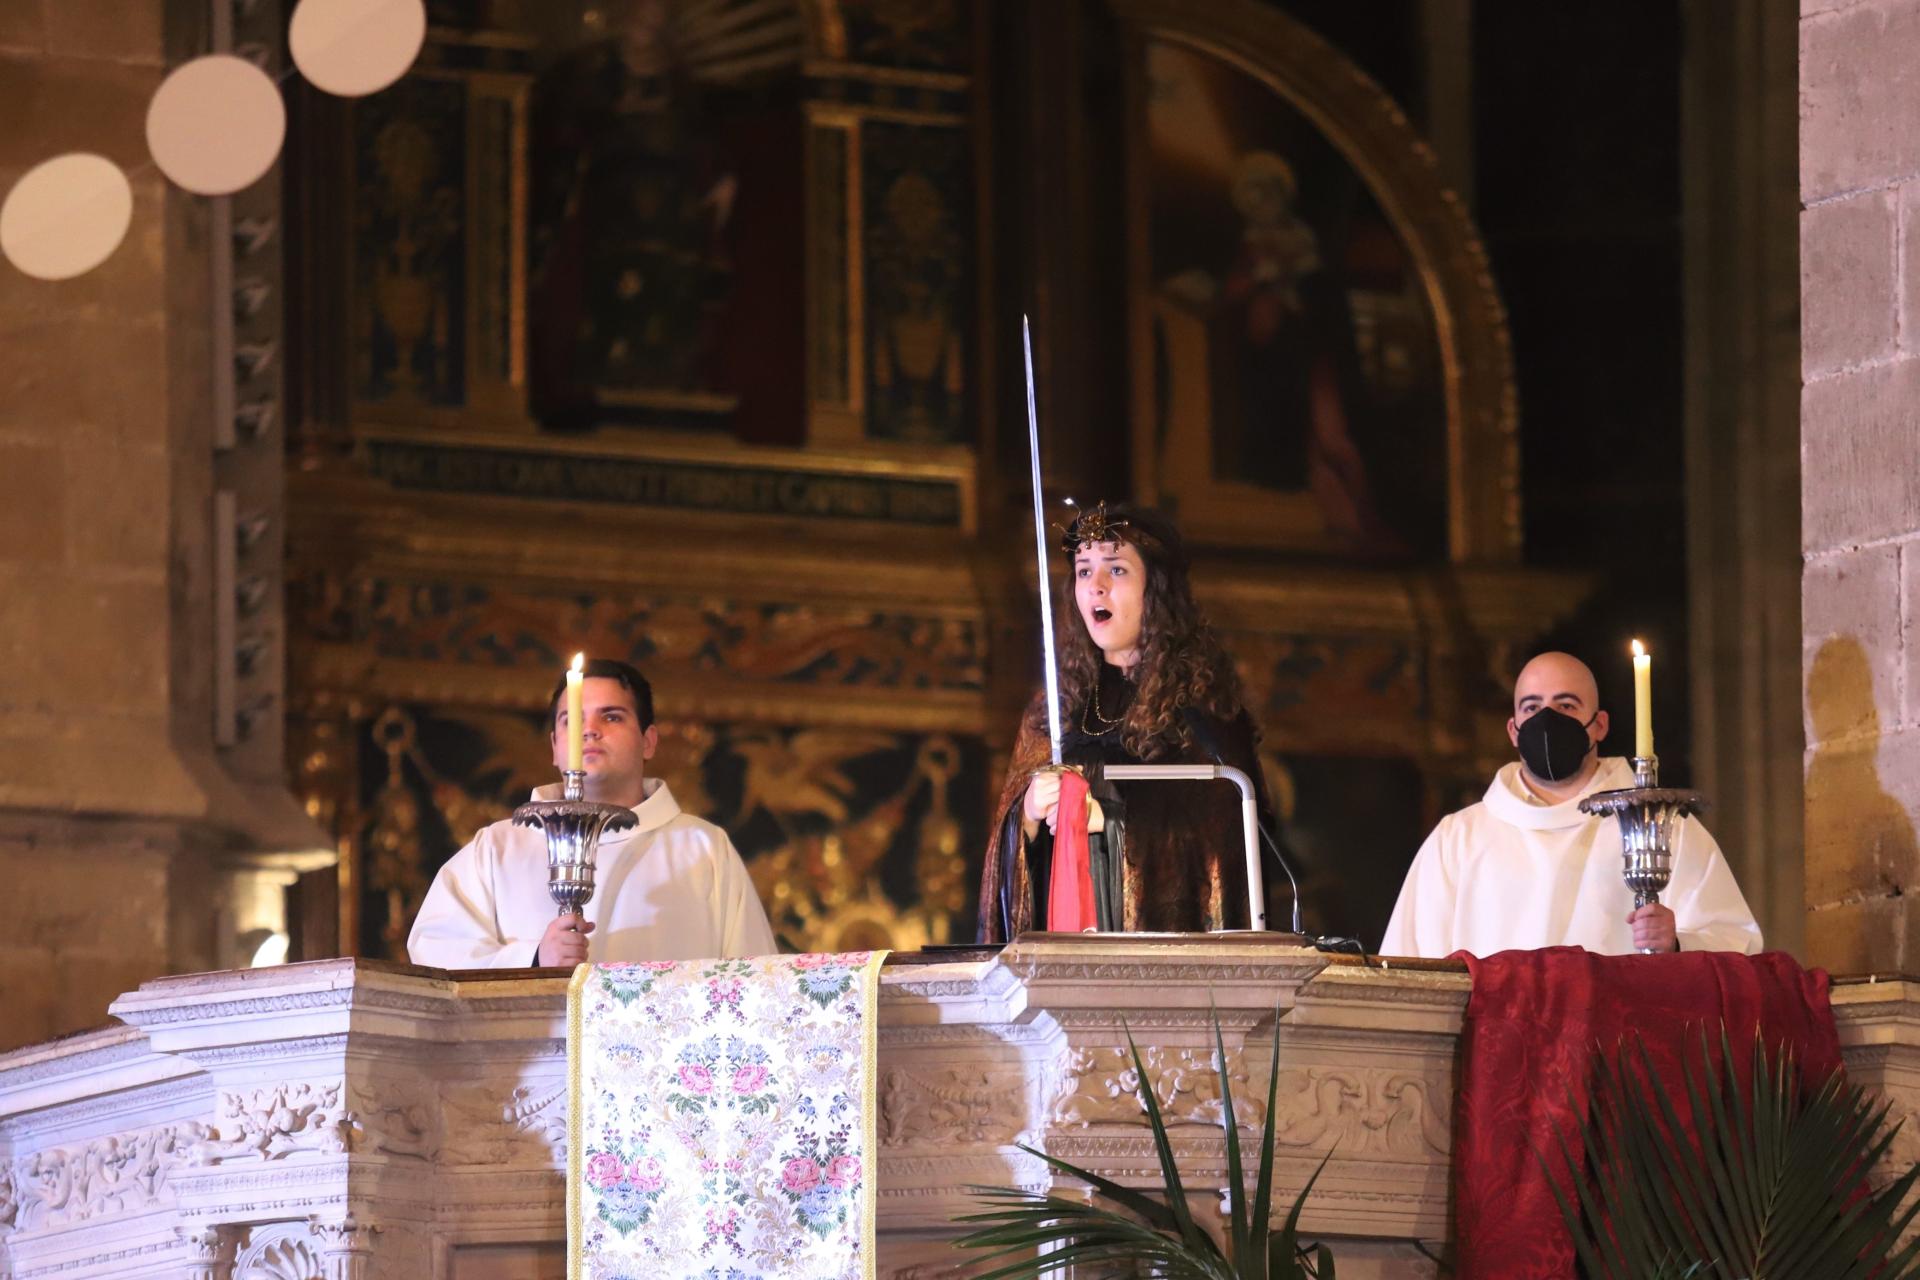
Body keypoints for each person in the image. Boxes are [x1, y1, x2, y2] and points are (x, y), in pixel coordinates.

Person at [977, 502, 1273, 941]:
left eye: (1115, 570)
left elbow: (1222, 846)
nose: (1095, 587)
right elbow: (1008, 873)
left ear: (1155, 588)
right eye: (1083, 571)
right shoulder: (1056, 706)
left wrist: (1110, 825)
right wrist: (1029, 816)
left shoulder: (1202, 706)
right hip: (1067, 952)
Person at [1378, 651, 1761, 958]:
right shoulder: (1458, 840)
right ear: (1513, 730)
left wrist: (1678, 943)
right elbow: (1404, 968)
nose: (1546, 720)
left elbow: (1736, 944)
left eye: (1566, 706)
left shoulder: (1659, 826)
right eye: (1531, 707)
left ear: (1599, 725)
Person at [408, 658, 776, 968]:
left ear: (648, 741)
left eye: (612, 717)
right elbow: (433, 952)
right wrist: (533, 958)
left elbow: (755, 976)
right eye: (572, 720)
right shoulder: (497, 849)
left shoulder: (703, 849)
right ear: (555, 746)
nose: (590, 732)